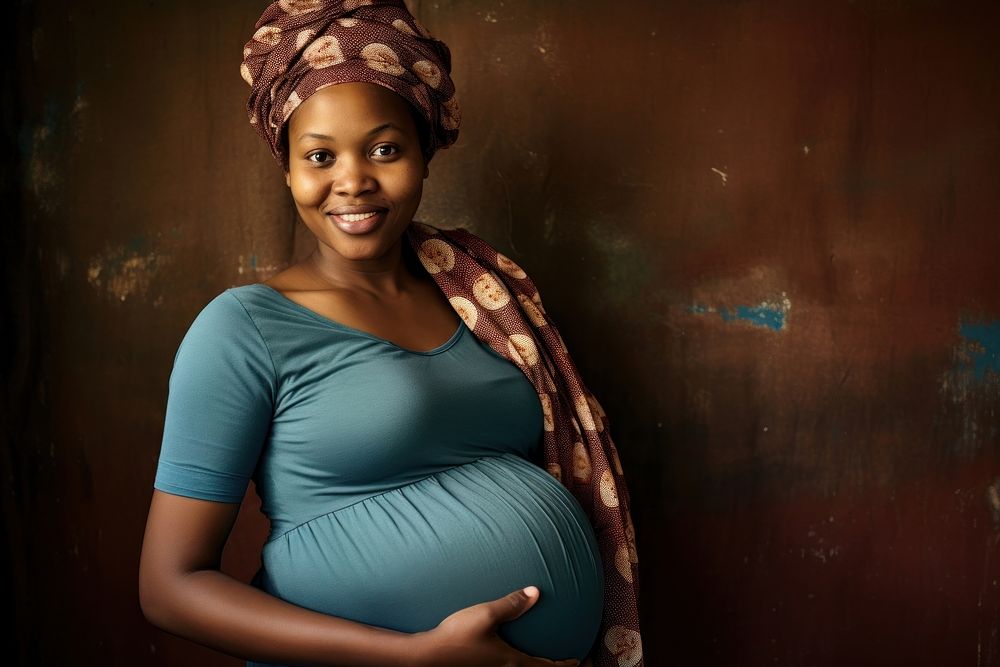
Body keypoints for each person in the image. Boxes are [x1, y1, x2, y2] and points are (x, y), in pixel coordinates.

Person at [138, 2, 643, 666]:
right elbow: (170, 587)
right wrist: (412, 656)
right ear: (287, 167)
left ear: (424, 155)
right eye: (320, 155)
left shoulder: (479, 296)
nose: (352, 180)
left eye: (384, 148)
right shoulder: (241, 330)